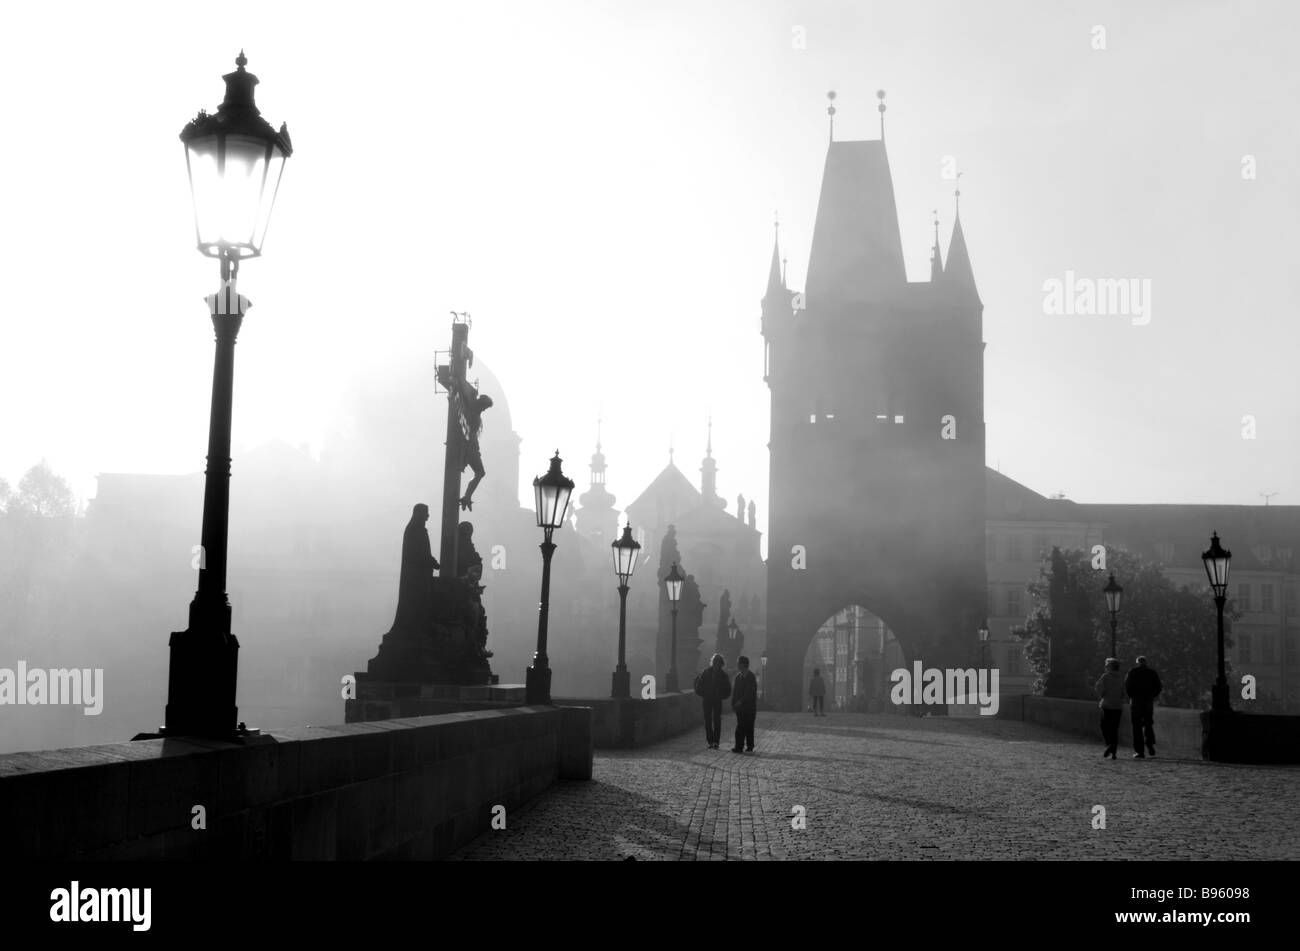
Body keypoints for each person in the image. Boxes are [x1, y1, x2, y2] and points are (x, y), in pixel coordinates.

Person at [1124, 655, 1162, 758]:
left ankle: (1139, 751)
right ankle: (1150, 744)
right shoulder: (1152, 673)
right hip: (1148, 702)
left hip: (1136, 702)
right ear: (1146, 662)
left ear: (1137, 663)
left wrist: (1132, 696)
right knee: (1148, 723)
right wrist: (1151, 696)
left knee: (1137, 726)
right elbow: (1158, 687)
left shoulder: (1132, 672)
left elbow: (1127, 686)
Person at [693, 653, 731, 749]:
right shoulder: (709, 673)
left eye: (718, 663)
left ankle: (714, 741)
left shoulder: (716, 674)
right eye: (716, 662)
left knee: (715, 720)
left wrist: (720, 695)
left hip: (715, 699)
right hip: (708, 699)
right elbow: (699, 686)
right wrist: (705, 694)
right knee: (709, 721)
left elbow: (728, 690)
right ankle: (711, 741)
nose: (717, 664)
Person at [1095, 657, 1126, 759]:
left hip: (1107, 705)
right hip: (1118, 706)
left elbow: (1098, 688)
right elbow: (1124, 692)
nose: (1105, 667)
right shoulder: (1121, 678)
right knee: (1114, 728)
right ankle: (1114, 752)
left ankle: (1109, 744)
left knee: (1104, 726)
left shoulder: (1106, 676)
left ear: (1110, 667)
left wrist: (1103, 695)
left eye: (1106, 665)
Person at [731, 655, 758, 753]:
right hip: (740, 708)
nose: (737, 665)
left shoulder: (751, 677)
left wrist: (741, 701)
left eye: (738, 663)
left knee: (749, 727)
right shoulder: (738, 677)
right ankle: (739, 746)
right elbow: (735, 692)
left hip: (749, 707)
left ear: (743, 664)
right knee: (740, 727)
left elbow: (749, 692)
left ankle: (750, 746)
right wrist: (734, 703)